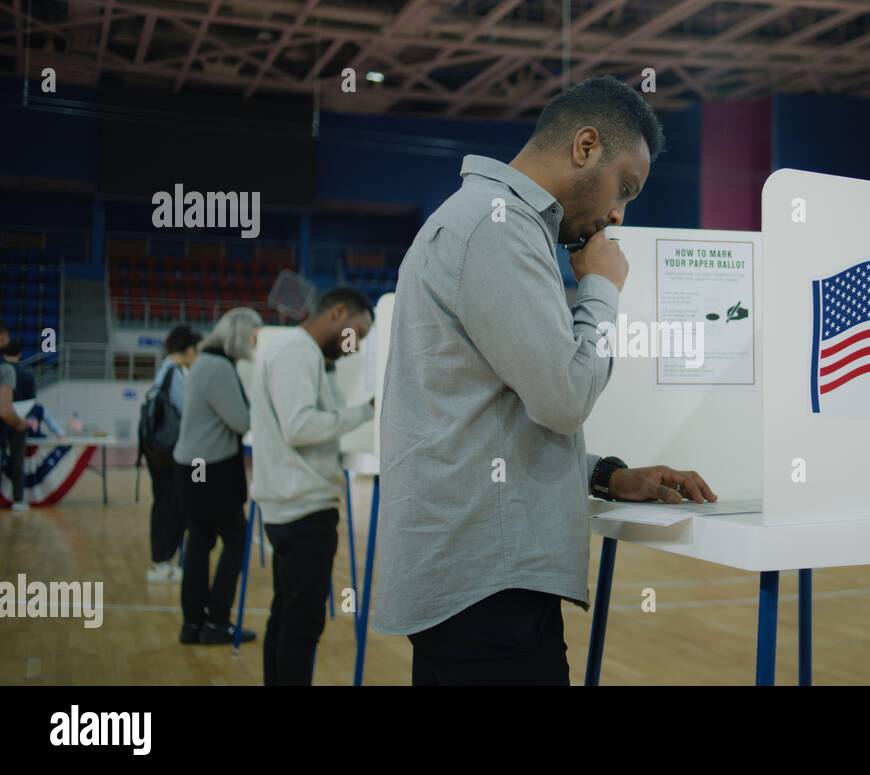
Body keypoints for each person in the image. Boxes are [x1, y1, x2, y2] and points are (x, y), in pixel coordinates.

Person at [374, 75, 716, 685]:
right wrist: (603, 285)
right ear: (585, 146)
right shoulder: (497, 227)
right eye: (625, 188)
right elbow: (563, 398)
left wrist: (608, 475)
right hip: (486, 591)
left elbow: (486, 417)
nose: (617, 213)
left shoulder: (488, 221)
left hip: (480, 584)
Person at [249, 287, 375, 685]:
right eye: (357, 333)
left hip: (290, 505)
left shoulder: (298, 352)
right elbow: (300, 426)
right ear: (337, 312)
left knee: (286, 617)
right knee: (301, 626)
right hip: (303, 509)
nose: (357, 345)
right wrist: (363, 414)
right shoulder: (296, 351)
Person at [172, 307, 261, 645]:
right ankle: (218, 621)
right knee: (236, 539)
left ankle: (192, 624)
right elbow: (240, 421)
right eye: (252, 336)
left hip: (192, 465)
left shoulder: (202, 363)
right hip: (211, 466)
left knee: (199, 542)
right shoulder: (220, 366)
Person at [145, 325, 203, 584]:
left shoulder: (166, 370)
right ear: (189, 350)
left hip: (160, 453)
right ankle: (161, 562)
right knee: (170, 508)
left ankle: (162, 561)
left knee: (168, 506)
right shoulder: (174, 373)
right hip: (169, 454)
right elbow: (189, 411)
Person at [0, 324, 31, 511]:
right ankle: (18, 500)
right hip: (11, 423)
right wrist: (20, 423)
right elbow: (4, 410)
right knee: (17, 462)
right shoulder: (9, 372)